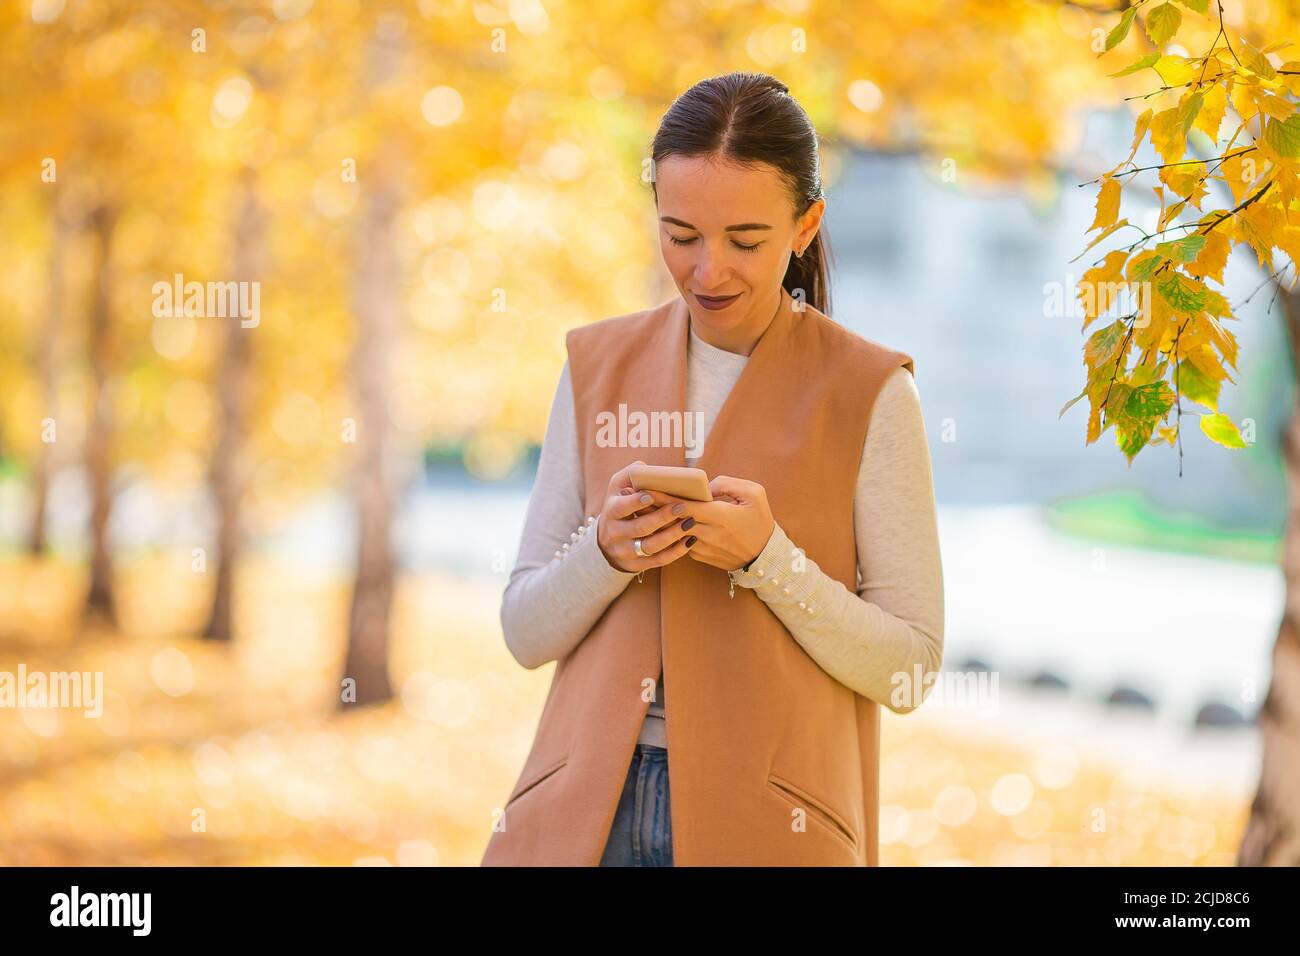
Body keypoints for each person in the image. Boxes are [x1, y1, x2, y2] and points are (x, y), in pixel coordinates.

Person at [483, 71, 944, 867]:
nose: (706, 272)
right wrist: (603, 553)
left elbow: (909, 673)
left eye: (745, 241)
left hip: (773, 825)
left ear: (807, 226)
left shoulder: (872, 393)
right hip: (584, 815)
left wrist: (771, 561)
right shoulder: (595, 365)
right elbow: (525, 633)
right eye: (680, 234)